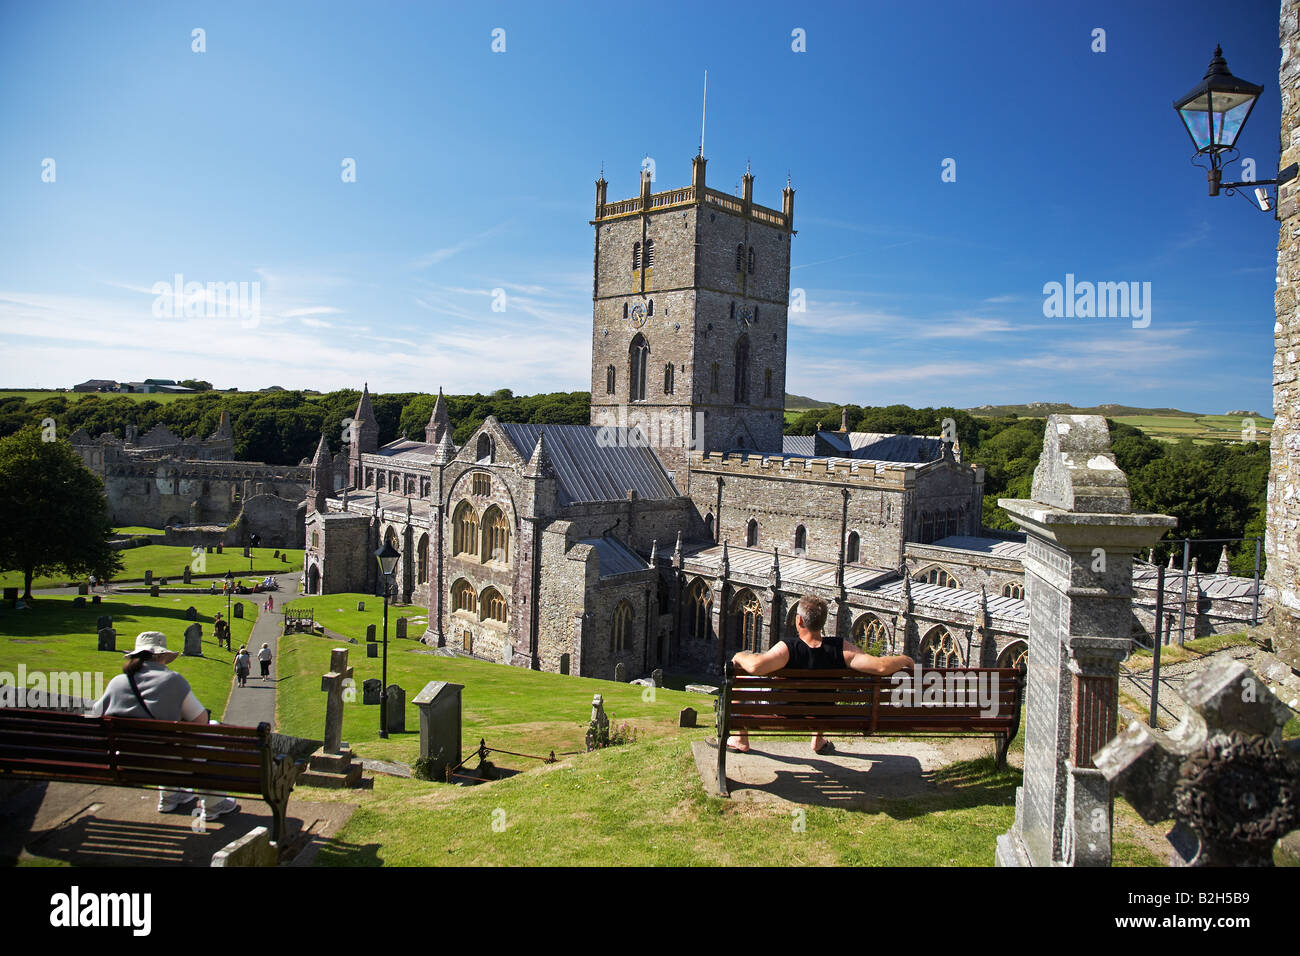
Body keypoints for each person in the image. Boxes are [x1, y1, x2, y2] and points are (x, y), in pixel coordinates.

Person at [727, 594, 914, 755]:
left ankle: (740, 740)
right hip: (823, 713)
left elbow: (755, 667)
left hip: (785, 713)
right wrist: (905, 659)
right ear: (823, 622)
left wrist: (739, 655)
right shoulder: (840, 648)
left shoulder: (788, 648)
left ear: (799, 620)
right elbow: (881, 667)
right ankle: (818, 739)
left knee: (740, 679)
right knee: (820, 698)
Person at [89, 631, 238, 819]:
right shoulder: (172, 680)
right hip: (167, 762)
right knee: (213, 730)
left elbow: (95, 716)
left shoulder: (118, 682)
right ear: (161, 656)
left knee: (162, 744)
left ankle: (169, 798)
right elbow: (201, 722)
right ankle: (213, 804)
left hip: (127, 762)